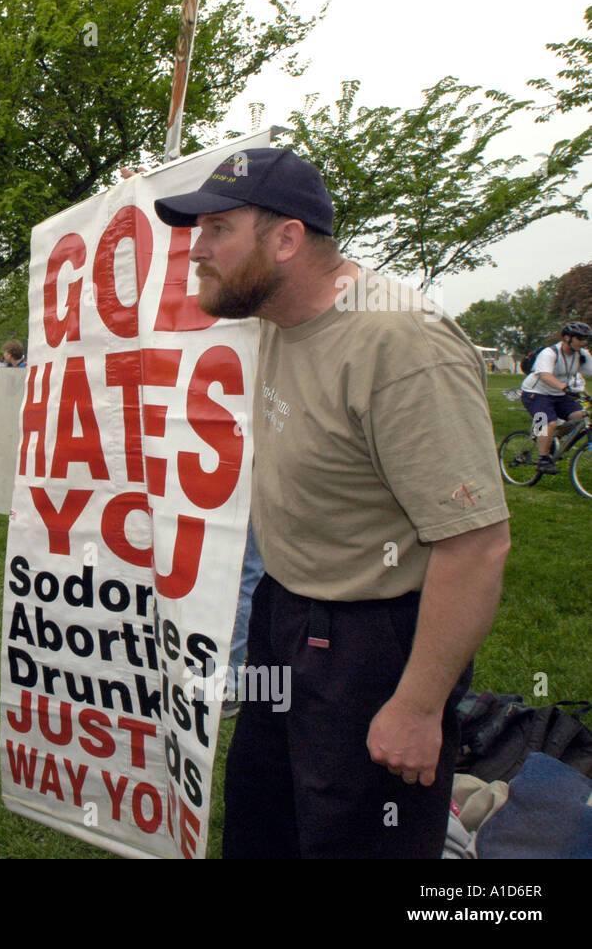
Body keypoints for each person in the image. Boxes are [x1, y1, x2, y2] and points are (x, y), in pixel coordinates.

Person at [154, 147, 511, 858]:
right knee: (264, 816)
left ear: (286, 238)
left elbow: (476, 544)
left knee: (354, 836)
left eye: (219, 230)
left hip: (371, 643)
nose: (197, 252)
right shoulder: (274, 314)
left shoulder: (404, 344)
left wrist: (415, 706)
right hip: (285, 615)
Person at [519, 320, 592, 474]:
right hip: (535, 393)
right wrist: (564, 387)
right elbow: (545, 376)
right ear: (567, 338)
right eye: (580, 338)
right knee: (549, 422)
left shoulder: (582, 355)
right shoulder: (550, 353)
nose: (584, 342)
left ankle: (550, 439)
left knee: (580, 417)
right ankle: (543, 460)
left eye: (586, 339)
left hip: (559, 394)